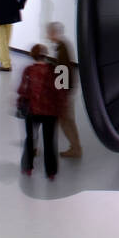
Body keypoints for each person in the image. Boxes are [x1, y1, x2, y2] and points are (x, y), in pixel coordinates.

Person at [17, 44, 61, 179]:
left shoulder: (28, 70)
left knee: (30, 139)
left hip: (32, 110)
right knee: (49, 141)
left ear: (33, 55)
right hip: (50, 111)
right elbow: (60, 91)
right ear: (45, 55)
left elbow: (22, 90)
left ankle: (27, 167)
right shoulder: (55, 70)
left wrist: (20, 104)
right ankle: (51, 172)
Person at [45, 22, 81, 158]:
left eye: (49, 33)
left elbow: (64, 71)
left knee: (66, 121)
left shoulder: (62, 48)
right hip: (65, 90)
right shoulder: (62, 46)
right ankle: (75, 147)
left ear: (54, 33)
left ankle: (76, 148)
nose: (47, 35)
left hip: (64, 92)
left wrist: (61, 94)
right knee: (67, 121)